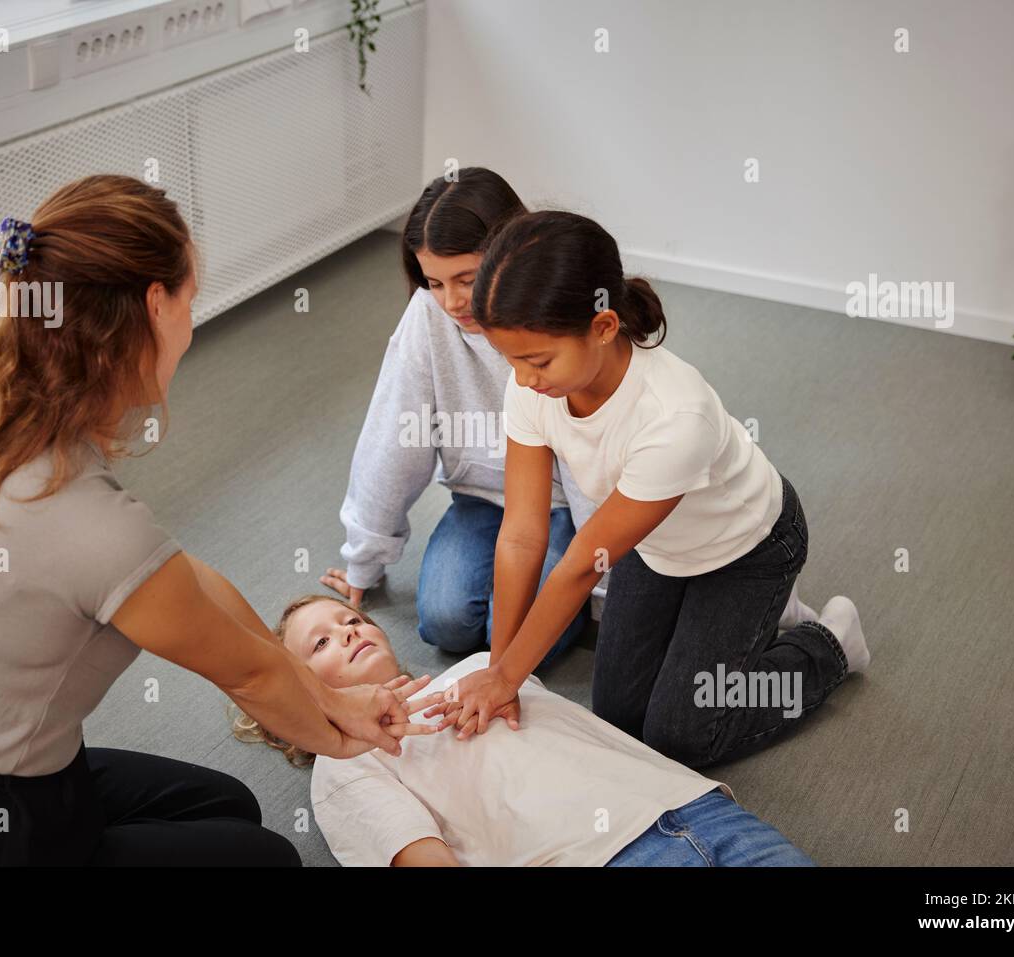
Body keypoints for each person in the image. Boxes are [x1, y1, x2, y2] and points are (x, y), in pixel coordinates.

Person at [0, 175, 431, 867]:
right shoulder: (93, 524)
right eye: (190, 297)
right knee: (267, 858)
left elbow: (191, 586)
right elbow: (251, 679)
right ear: (155, 303)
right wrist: (348, 727)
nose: (193, 321)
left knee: (224, 805)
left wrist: (319, 689)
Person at [432, 210, 870, 766]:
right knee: (618, 717)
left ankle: (825, 645)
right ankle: (751, 629)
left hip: (746, 550)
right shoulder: (533, 388)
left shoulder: (673, 415)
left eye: (536, 360)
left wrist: (509, 676)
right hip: (655, 544)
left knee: (680, 736)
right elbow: (520, 535)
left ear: (604, 327)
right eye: (509, 360)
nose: (522, 379)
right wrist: (500, 672)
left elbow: (580, 566)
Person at [235, 594, 814, 866]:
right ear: (297, 690)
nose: (348, 632)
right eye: (321, 643)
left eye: (351, 618)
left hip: (690, 805)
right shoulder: (346, 765)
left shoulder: (483, 668)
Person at [322, 168, 596, 667]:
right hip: (481, 497)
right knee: (444, 622)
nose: (452, 302)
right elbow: (393, 441)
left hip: (565, 504)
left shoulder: (555, 310)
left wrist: (603, 579)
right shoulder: (429, 315)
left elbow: (597, 451)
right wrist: (364, 558)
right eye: (434, 282)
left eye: (467, 281)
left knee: (509, 639)